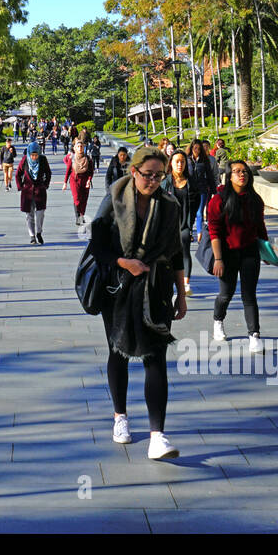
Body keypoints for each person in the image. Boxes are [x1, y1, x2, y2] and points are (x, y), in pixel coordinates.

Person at [87, 146, 188, 460]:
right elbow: (97, 247)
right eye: (148, 175)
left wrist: (181, 294)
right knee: (118, 350)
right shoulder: (114, 199)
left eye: (160, 175)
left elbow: (175, 252)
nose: (154, 181)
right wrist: (124, 263)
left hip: (156, 286)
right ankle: (120, 417)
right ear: (134, 172)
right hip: (117, 286)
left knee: (155, 357)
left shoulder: (169, 205)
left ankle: (157, 436)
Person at [207, 160, 270, 354]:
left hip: (250, 252)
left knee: (249, 296)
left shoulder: (255, 199)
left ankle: (254, 335)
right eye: (236, 172)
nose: (242, 175)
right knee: (226, 294)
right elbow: (214, 232)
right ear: (229, 175)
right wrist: (218, 259)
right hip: (227, 253)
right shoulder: (218, 200)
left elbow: (260, 228)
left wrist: (267, 252)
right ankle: (218, 320)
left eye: (245, 171)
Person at [162, 150, 199, 296]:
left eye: (182, 161)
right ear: (171, 163)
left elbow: (195, 204)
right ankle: (170, 282)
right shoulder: (165, 183)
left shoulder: (191, 183)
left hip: (184, 225)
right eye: (177, 161)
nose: (179, 164)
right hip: (168, 227)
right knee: (169, 255)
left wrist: (191, 224)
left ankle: (185, 283)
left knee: (185, 252)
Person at [15, 138, 52, 244]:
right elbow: (18, 174)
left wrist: (45, 184)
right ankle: (32, 236)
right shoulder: (25, 160)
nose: (34, 157)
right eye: (32, 155)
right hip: (27, 192)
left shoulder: (43, 160)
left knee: (40, 213)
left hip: (39, 191)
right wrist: (21, 187)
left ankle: (39, 232)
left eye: (36, 155)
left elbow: (48, 173)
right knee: (29, 214)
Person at [186, 139, 218, 239]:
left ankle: (200, 233)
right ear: (191, 148)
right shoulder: (187, 160)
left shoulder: (205, 161)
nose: (197, 150)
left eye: (199, 149)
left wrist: (214, 190)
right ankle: (189, 231)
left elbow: (210, 175)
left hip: (202, 189)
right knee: (190, 212)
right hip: (189, 190)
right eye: (195, 148)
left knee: (199, 212)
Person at [64, 136, 96, 225]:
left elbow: (91, 172)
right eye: (78, 147)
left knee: (84, 200)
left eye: (81, 146)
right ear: (75, 148)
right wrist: (65, 182)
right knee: (77, 199)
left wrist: (89, 180)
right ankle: (78, 216)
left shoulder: (88, 159)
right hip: (74, 180)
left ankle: (82, 216)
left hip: (85, 181)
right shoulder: (72, 158)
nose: (80, 148)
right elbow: (68, 171)